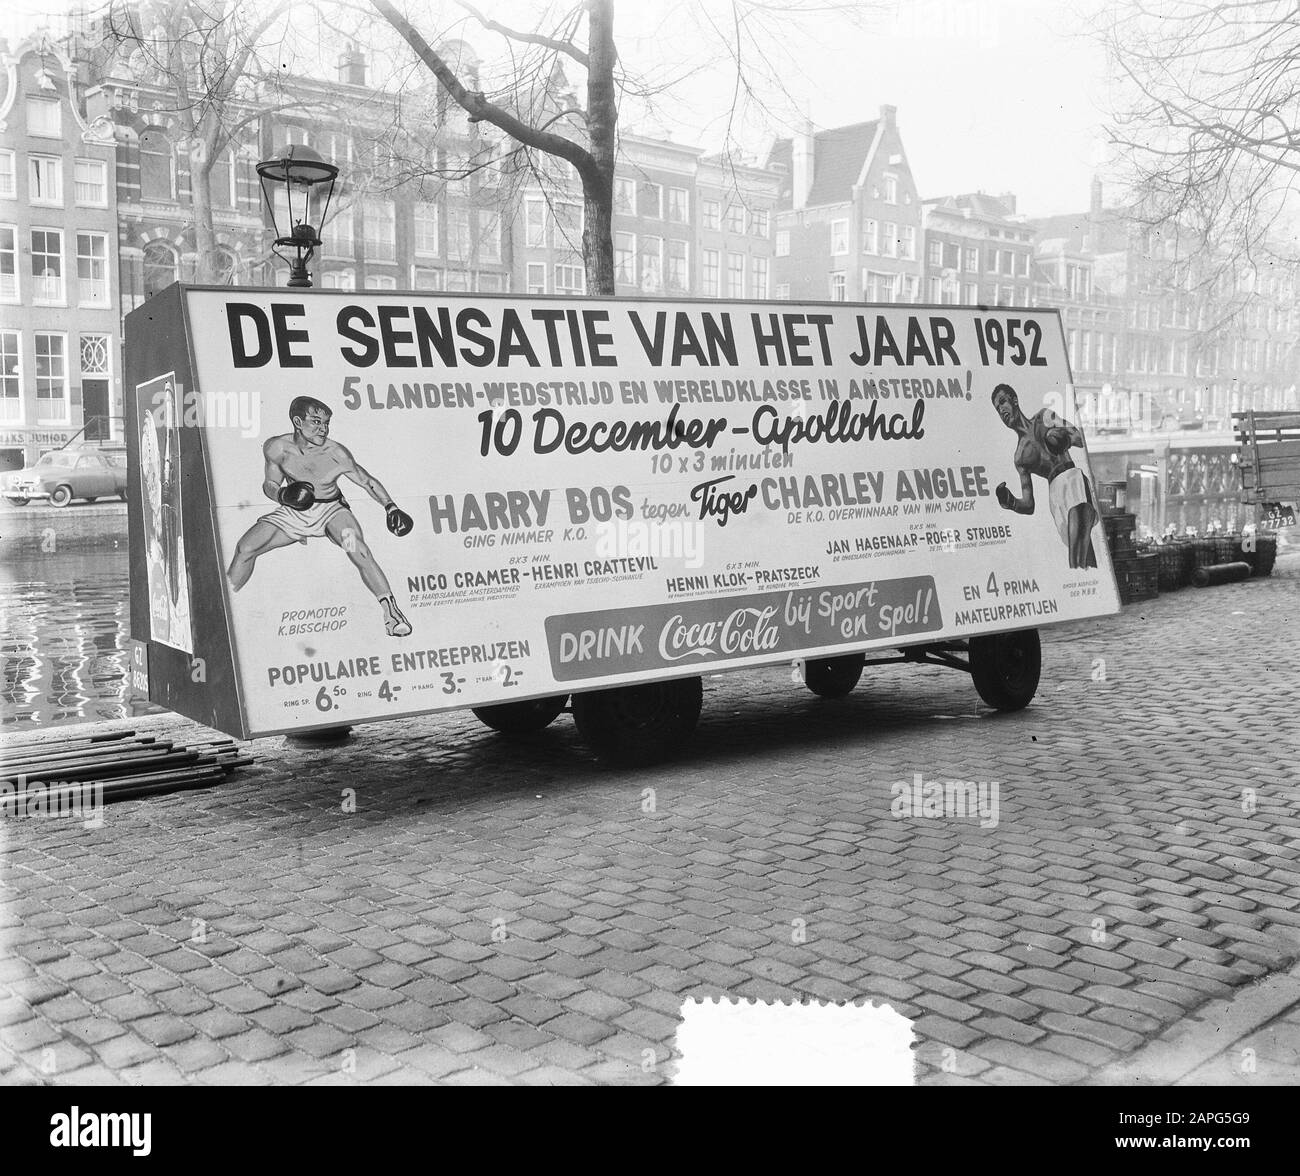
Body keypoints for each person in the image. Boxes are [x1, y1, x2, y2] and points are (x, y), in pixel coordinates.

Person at [226, 396, 415, 636]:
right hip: (295, 512)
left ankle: (392, 614)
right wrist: (283, 494)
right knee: (245, 548)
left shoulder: (335, 452)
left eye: (326, 423)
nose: (323, 429)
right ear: (297, 421)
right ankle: (225, 606)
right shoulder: (276, 448)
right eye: (316, 422)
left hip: (331, 511)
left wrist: (391, 507)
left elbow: (366, 481)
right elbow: (270, 484)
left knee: (357, 548)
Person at [991, 382, 1098, 569]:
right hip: (1055, 492)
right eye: (997, 408)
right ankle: (1087, 581)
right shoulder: (1020, 457)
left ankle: (1087, 582)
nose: (1001, 410)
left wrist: (1063, 438)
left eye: (1002, 402)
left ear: (1014, 400)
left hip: (1072, 476)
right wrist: (1010, 502)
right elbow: (1029, 504)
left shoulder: (1044, 417)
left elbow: (1079, 438)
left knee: (1079, 539)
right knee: (1080, 554)